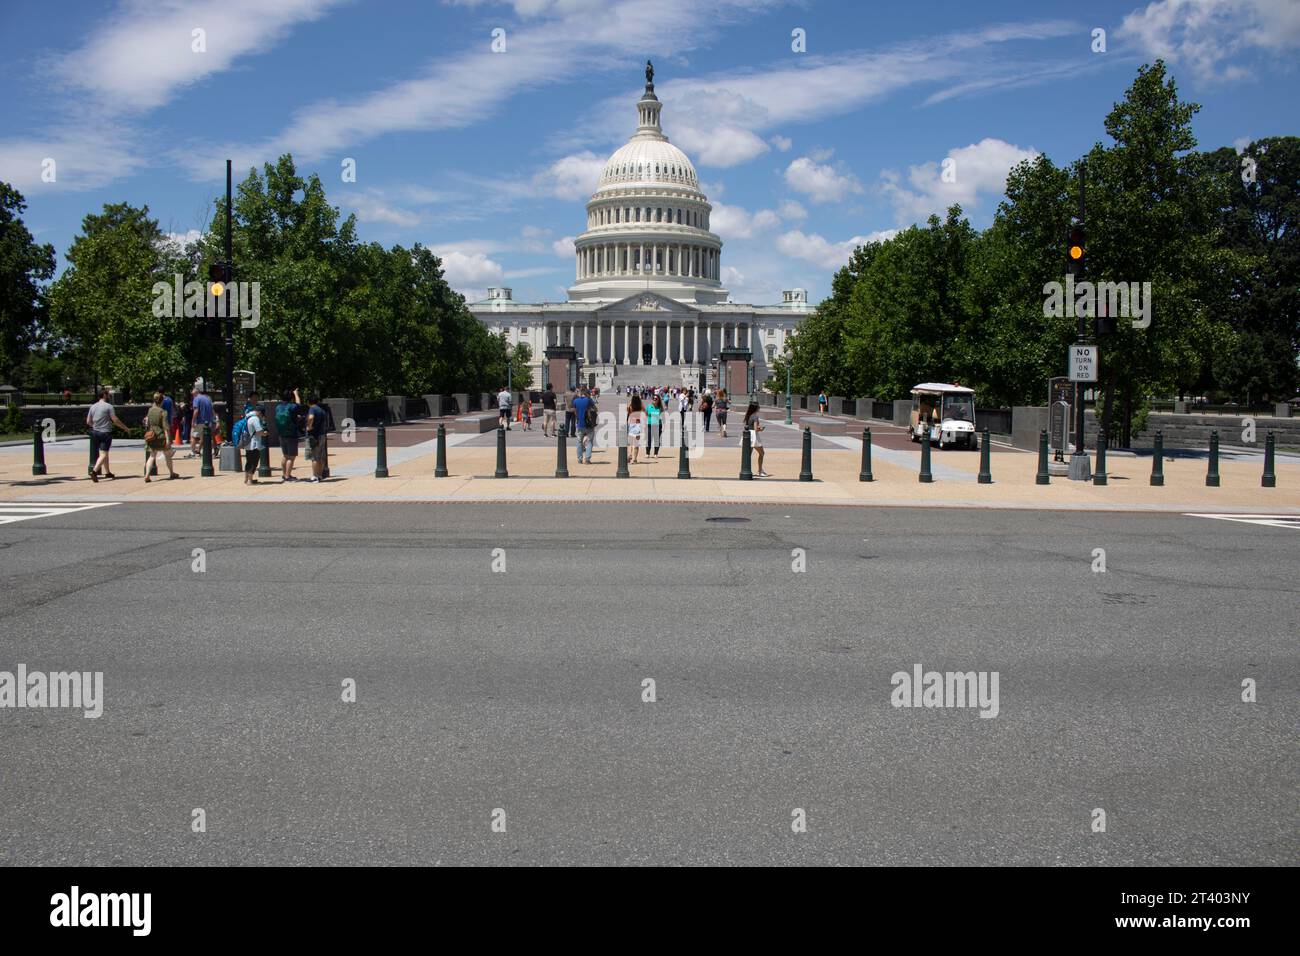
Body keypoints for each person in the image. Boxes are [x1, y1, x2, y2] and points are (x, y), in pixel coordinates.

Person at [85, 388, 127, 482]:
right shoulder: (109, 406)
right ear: (104, 395)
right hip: (105, 433)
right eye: (108, 394)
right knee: (104, 454)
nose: (108, 396)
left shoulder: (93, 407)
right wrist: (125, 428)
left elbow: (88, 421)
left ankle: (107, 472)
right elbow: (115, 420)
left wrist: (96, 426)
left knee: (103, 453)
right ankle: (94, 472)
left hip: (95, 432)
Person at [142, 391, 177, 482]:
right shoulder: (163, 412)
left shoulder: (150, 410)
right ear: (161, 402)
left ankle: (147, 475)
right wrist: (168, 439)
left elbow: (147, 423)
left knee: (152, 456)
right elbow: (166, 427)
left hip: (151, 435)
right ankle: (171, 473)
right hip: (160, 436)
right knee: (167, 455)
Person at [276, 388, 303, 482]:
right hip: (291, 434)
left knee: (285, 455)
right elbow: (299, 405)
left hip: (281, 434)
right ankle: (288, 476)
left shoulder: (278, 407)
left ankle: (284, 474)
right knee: (291, 457)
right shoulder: (291, 406)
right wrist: (296, 394)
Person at [304, 395, 329, 483]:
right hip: (322, 435)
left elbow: (311, 417)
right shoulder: (321, 410)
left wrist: (308, 427)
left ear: (308, 402)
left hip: (314, 436)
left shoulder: (312, 409)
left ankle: (315, 476)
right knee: (321, 456)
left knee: (314, 457)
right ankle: (319, 475)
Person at [243, 404, 266, 485]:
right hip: (254, 443)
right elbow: (259, 431)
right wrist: (265, 433)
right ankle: (250, 480)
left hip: (247, 442)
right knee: (254, 461)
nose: (262, 416)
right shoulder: (255, 419)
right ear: (259, 412)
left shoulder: (248, 416)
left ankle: (246, 479)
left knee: (248, 461)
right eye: (262, 414)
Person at [744, 402, 769, 477]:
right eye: (758, 407)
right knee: (762, 453)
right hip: (754, 436)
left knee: (748, 454)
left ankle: (747, 469)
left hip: (748, 434)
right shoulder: (755, 416)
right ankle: (760, 470)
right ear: (755, 408)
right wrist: (761, 429)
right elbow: (755, 429)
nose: (759, 408)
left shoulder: (748, 416)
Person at [572, 386, 596, 464]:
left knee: (579, 441)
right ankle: (587, 459)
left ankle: (579, 459)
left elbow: (575, 412)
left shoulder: (575, 401)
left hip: (580, 424)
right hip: (589, 424)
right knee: (589, 441)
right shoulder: (589, 400)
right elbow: (595, 409)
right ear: (587, 393)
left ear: (580, 393)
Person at [190, 386, 215, 457]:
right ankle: (198, 451)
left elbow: (196, 411)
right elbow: (212, 410)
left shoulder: (196, 398)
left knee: (193, 437)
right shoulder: (207, 398)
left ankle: (193, 452)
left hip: (200, 421)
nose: (192, 396)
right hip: (208, 421)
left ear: (196, 393)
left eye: (193, 394)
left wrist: (193, 421)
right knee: (204, 437)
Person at [626, 393, 644, 465]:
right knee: (636, 443)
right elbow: (643, 409)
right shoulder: (640, 407)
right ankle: (635, 459)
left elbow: (627, 408)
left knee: (631, 442)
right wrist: (640, 401)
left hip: (631, 424)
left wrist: (631, 402)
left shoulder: (630, 407)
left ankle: (630, 455)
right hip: (638, 425)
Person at [645, 393, 662, 458]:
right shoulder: (649, 407)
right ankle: (647, 453)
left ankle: (656, 453)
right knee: (649, 439)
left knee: (657, 440)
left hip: (658, 425)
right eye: (653, 398)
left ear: (658, 400)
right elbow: (646, 414)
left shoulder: (660, 408)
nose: (654, 400)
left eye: (656, 399)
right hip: (649, 425)